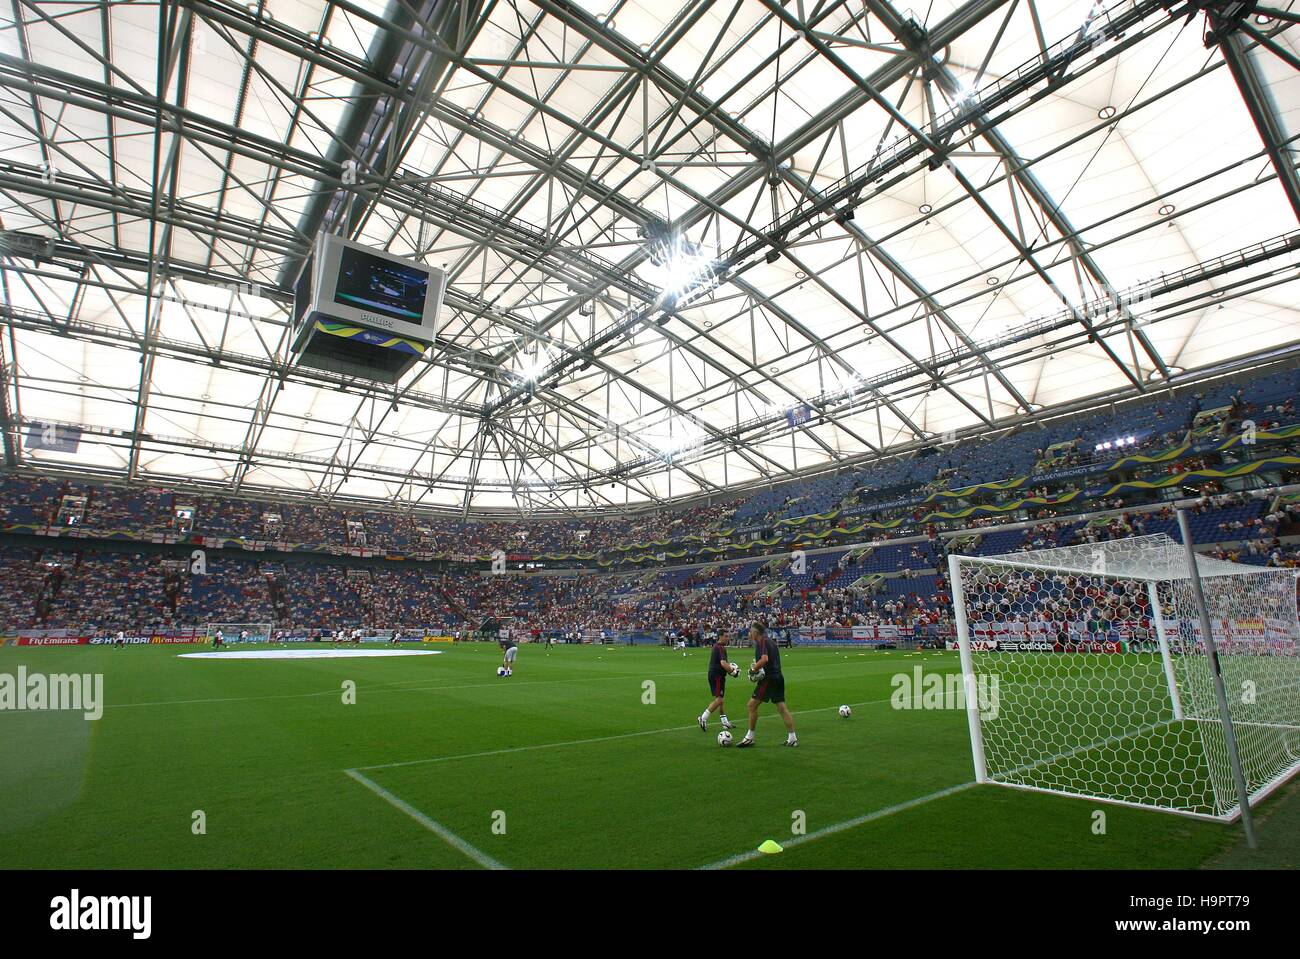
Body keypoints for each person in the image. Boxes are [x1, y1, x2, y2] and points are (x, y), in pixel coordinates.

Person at [736, 622, 798, 748]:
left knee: (751, 705)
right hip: (778, 677)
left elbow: (764, 659)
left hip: (769, 679)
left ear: (755, 632)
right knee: (781, 707)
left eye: (751, 631)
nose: (750, 634)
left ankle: (750, 737)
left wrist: (753, 670)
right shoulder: (770, 642)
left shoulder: (762, 642)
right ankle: (793, 738)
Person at [698, 632, 738, 733]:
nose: (728, 638)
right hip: (717, 676)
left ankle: (724, 722)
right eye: (726, 636)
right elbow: (723, 663)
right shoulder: (720, 647)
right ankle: (703, 718)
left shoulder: (717, 646)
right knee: (719, 700)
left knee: (720, 699)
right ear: (720, 636)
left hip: (715, 674)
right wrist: (733, 672)